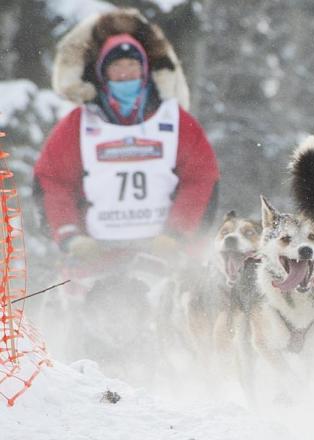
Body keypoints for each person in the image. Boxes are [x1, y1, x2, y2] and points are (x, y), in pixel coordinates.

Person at [33, 9, 219, 261]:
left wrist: (178, 232)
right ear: (102, 73)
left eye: (132, 64)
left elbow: (201, 178)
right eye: (116, 65)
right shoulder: (79, 123)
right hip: (96, 253)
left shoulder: (174, 119)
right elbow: (53, 181)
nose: (125, 73)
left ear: (144, 70)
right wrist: (70, 236)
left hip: (162, 253)